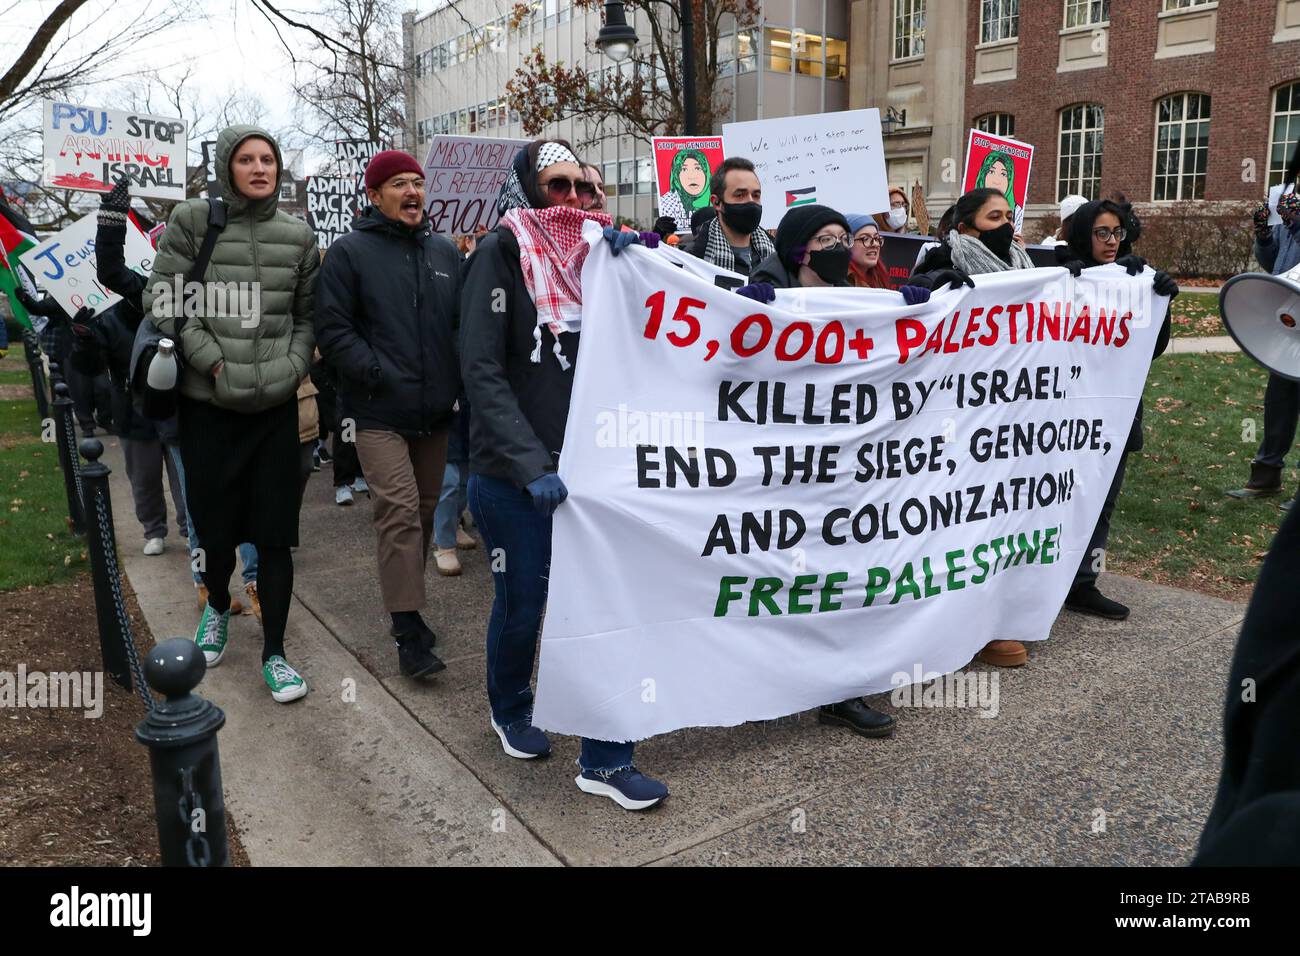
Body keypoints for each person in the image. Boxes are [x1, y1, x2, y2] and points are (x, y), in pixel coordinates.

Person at [460, 138, 669, 809]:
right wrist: (528, 463)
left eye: (585, 187)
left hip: (598, 474)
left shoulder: (609, 256)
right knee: (524, 606)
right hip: (515, 477)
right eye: (557, 187)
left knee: (604, 610)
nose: (574, 201)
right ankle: (510, 703)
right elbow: (482, 370)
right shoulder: (501, 252)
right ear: (527, 190)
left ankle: (605, 758)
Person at [144, 124, 319, 704]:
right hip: (209, 408)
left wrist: (293, 366)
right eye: (246, 159)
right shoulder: (194, 223)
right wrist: (213, 363)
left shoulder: (298, 235)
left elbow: (306, 317)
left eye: (268, 159)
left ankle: (275, 653)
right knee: (215, 530)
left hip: (273, 408)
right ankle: (216, 607)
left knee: (274, 537)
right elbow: (166, 301)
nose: (260, 168)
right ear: (227, 167)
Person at [315, 149, 462, 679]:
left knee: (423, 514)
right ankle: (407, 633)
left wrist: (456, 383)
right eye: (399, 183)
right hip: (377, 413)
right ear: (374, 196)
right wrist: (374, 371)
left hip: (435, 413)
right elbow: (332, 329)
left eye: (418, 182)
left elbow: (460, 326)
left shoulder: (445, 252)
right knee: (398, 512)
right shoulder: (348, 253)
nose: (413, 191)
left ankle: (410, 607)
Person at [912, 187, 1039, 667]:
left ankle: (992, 620)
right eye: (993, 217)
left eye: (1009, 215)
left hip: (1011, 422)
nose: (1006, 224)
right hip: (956, 423)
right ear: (965, 226)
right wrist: (929, 287)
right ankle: (950, 624)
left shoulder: (1029, 270)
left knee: (1001, 520)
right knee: (959, 521)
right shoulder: (941, 261)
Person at [1057, 200, 1176, 620]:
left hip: (1114, 414)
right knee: (1062, 496)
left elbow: (1151, 349)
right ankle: (1047, 577)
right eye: (1102, 233)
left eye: (1117, 232)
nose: (1111, 241)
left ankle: (1083, 584)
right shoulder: (1058, 273)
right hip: (1063, 413)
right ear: (1083, 234)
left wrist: (1161, 305)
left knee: (1103, 498)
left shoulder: (1132, 278)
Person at [86, 178, 188, 557]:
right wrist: (112, 218)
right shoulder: (149, 289)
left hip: (183, 407)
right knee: (144, 477)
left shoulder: (204, 288)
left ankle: (190, 529)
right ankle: (154, 530)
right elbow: (112, 272)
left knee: (186, 480)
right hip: (137, 407)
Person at [1228, 137, 1300, 502]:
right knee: (1279, 400)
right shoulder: (1292, 204)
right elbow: (1274, 264)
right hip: (1289, 318)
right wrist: (1264, 232)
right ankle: (1266, 476)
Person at [689, 156, 775, 277]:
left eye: (756, 195)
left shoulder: (778, 257)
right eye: (740, 195)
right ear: (716, 202)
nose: (750, 202)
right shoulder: (692, 259)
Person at [432, 392, 476, 575]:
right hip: (443, 403)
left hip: (472, 403)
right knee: (449, 481)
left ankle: (454, 522)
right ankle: (444, 545)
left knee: (468, 478)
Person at [657, 148, 712, 233]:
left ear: (706, 173)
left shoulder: (719, 203)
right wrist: (659, 231)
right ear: (676, 175)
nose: (692, 176)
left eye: (697, 168)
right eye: (684, 169)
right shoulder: (667, 203)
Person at [974, 153, 1018, 230]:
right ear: (983, 175)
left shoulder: (1017, 210)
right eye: (991, 172)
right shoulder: (969, 206)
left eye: (1003, 174)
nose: (996, 181)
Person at [845, 214, 891, 288]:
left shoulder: (879, 278)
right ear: (847, 243)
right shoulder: (839, 284)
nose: (875, 244)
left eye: (876, 238)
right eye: (865, 238)